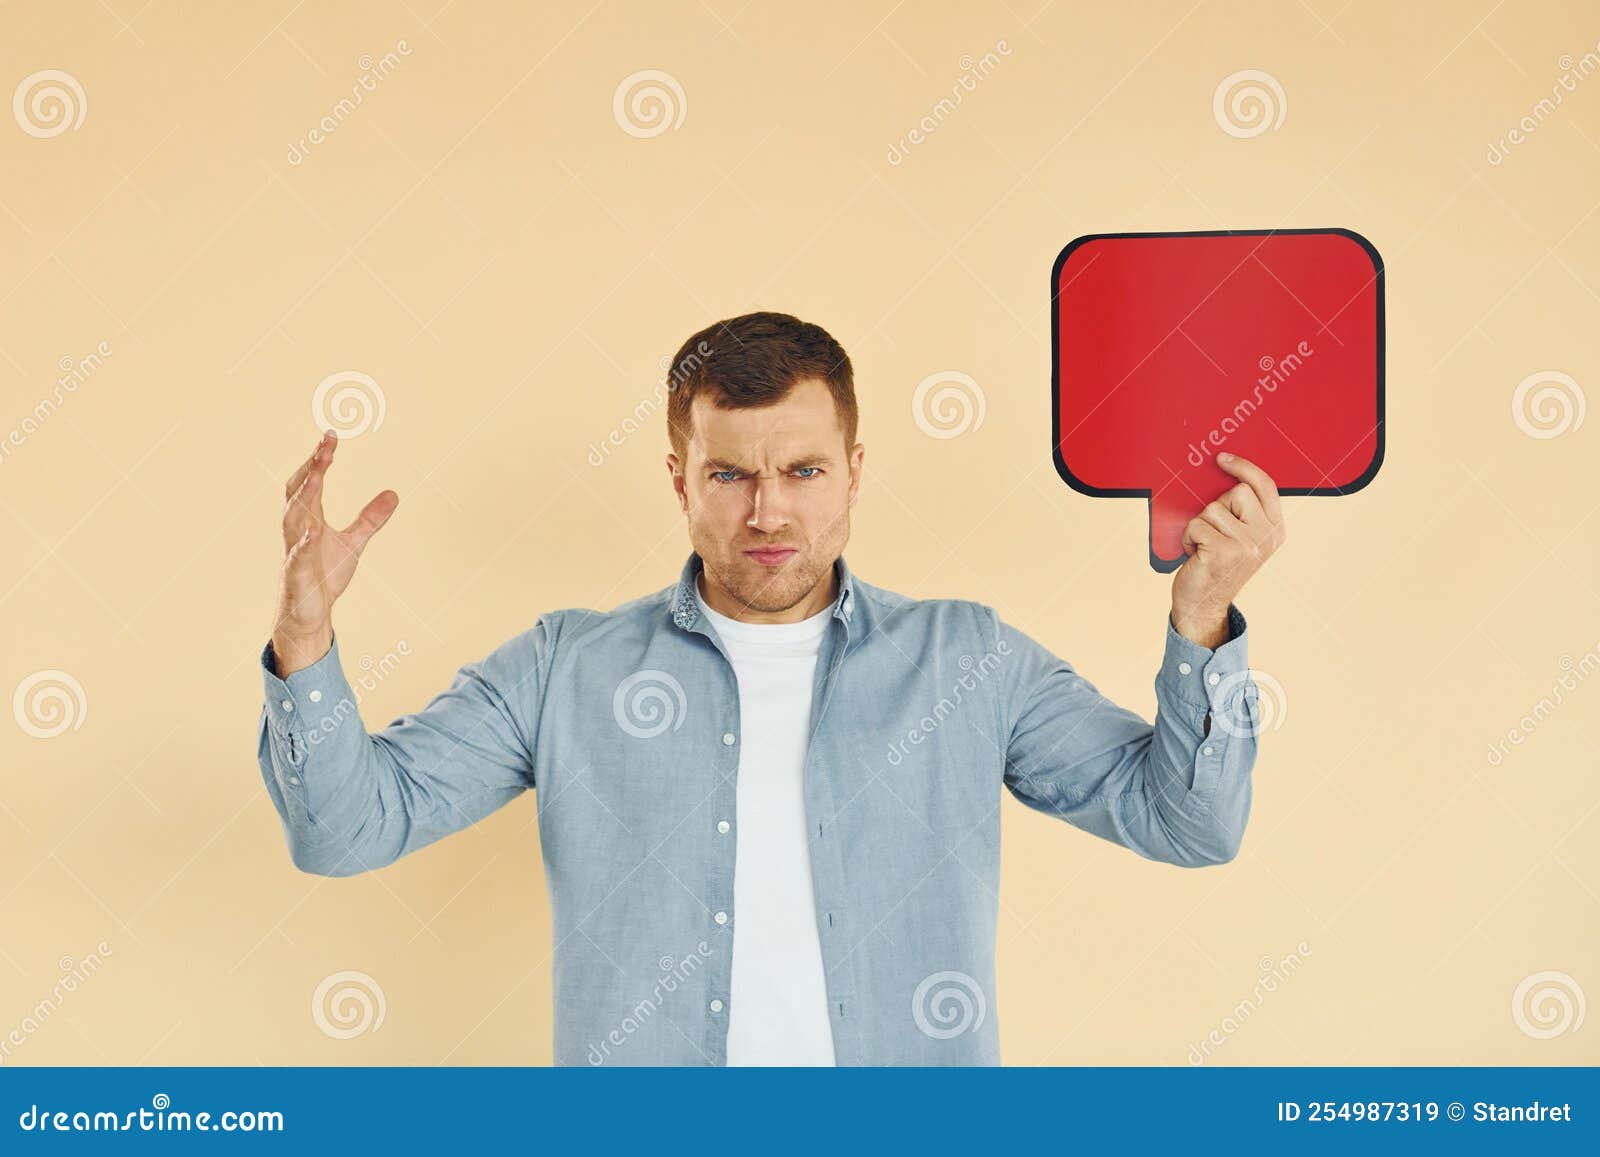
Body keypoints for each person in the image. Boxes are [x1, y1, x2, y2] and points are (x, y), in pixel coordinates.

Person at [256, 311, 1284, 1065]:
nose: (767, 511)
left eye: (802, 470)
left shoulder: (964, 658)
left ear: (852, 469)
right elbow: (347, 830)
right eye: (728, 475)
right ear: (677, 478)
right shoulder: (564, 668)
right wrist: (306, 634)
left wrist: (1203, 616)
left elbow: (1185, 824)